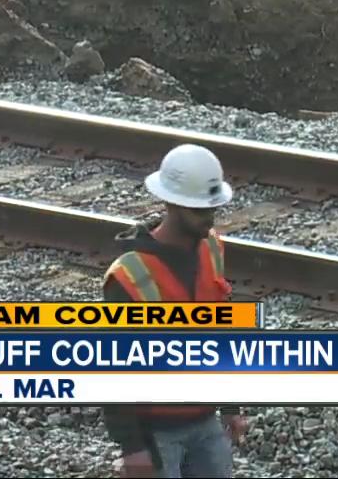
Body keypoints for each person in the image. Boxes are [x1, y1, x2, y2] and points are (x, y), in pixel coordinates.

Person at [101, 143, 249, 478]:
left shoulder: (211, 248)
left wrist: (230, 408)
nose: (208, 217)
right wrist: (133, 449)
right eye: (199, 210)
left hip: (206, 422)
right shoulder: (128, 277)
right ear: (171, 202)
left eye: (212, 209)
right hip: (157, 433)